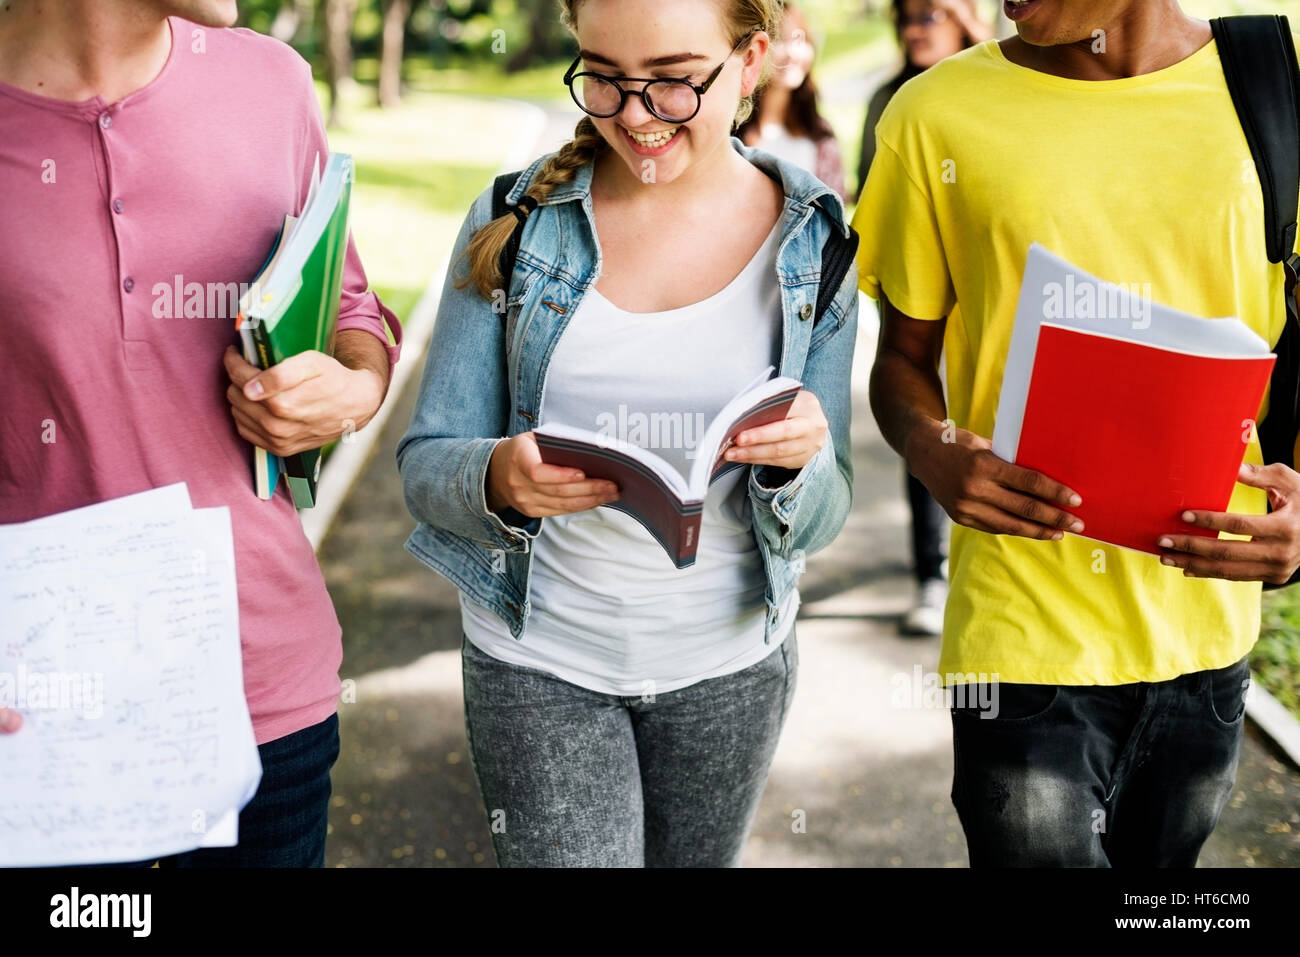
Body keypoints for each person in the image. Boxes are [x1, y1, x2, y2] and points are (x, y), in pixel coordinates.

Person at [398, 0, 857, 867]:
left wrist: (801, 466)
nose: (636, 117)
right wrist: (497, 477)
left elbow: (828, 517)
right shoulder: (516, 218)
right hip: (539, 666)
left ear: (752, 59)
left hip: (731, 667)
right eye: (604, 77)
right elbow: (425, 465)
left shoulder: (815, 241)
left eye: (675, 82)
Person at [854, 0, 1300, 866]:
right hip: (1021, 639)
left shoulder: (1272, 95)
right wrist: (931, 447)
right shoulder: (932, 114)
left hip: (1206, 639)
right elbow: (899, 361)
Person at [0, 0, 402, 866]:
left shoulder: (272, 84)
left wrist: (352, 388)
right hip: (38, 721)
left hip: (268, 709)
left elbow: (349, 308)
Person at [859, 0, 990, 637]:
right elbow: (873, 194)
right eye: (907, 16)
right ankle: (930, 571)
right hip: (919, 293)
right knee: (930, 430)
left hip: (989, 314)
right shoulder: (893, 101)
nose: (915, 27)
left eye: (931, 14)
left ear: (963, 18)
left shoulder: (999, 91)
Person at [736, 1, 847, 201]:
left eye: (800, 39)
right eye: (780, 40)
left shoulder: (820, 136)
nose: (793, 53)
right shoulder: (730, 132)